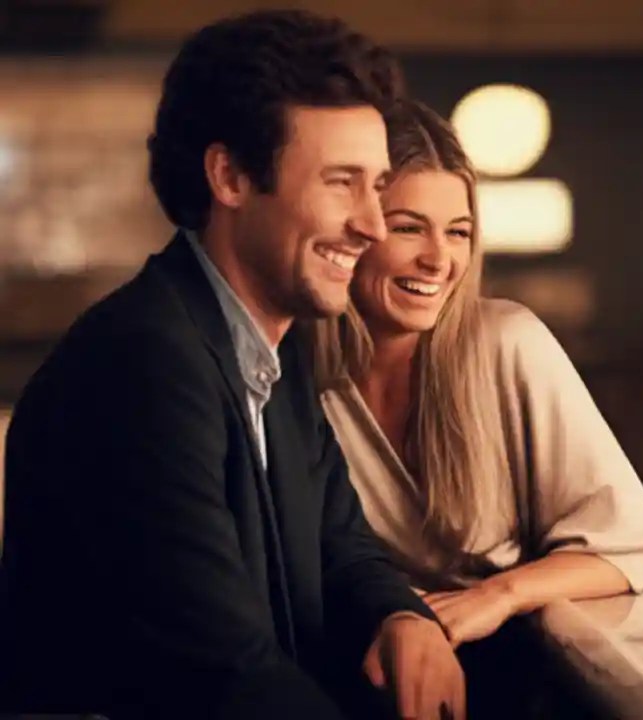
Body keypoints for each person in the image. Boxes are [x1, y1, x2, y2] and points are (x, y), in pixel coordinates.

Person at [0, 11, 464, 720]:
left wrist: (401, 617)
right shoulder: (142, 365)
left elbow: (341, 545)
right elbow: (221, 673)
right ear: (231, 176)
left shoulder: (275, 345)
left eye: (377, 185)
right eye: (342, 182)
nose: (372, 223)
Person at [314, 100, 643, 650]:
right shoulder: (298, 372)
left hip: (510, 659)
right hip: (358, 661)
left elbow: (625, 547)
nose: (439, 260)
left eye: (458, 233)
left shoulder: (506, 342)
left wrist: (500, 595)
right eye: (409, 228)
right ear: (356, 229)